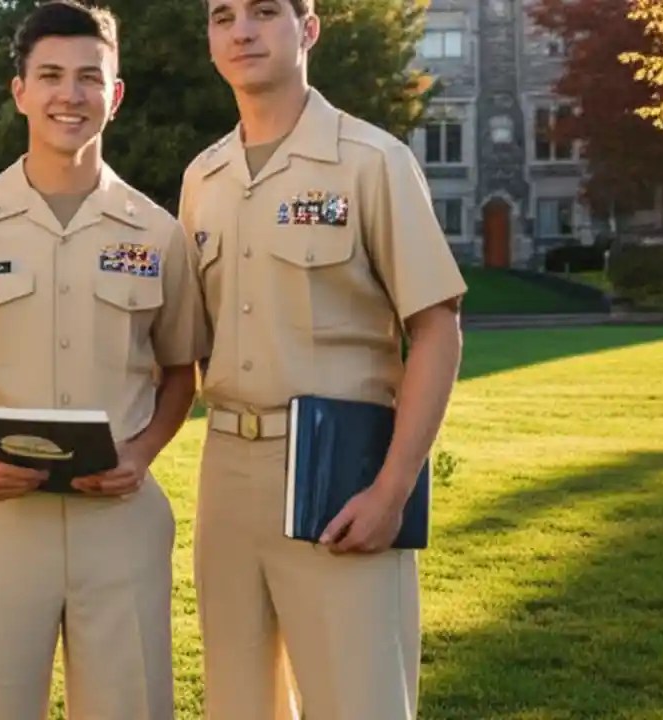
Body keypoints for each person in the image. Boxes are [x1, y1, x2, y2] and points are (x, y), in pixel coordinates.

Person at [0, 2, 208, 717]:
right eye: (49, 76)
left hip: (122, 518)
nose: (68, 95)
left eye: (88, 77)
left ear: (116, 94)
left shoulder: (159, 234)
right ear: (19, 92)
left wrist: (144, 451)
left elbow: (178, 375)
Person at [178, 1, 468, 718]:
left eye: (265, 11)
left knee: (359, 700)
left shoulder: (374, 161)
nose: (241, 30)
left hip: (341, 474)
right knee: (238, 703)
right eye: (223, 16)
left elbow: (437, 328)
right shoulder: (202, 179)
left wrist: (392, 491)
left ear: (307, 29)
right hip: (227, 475)